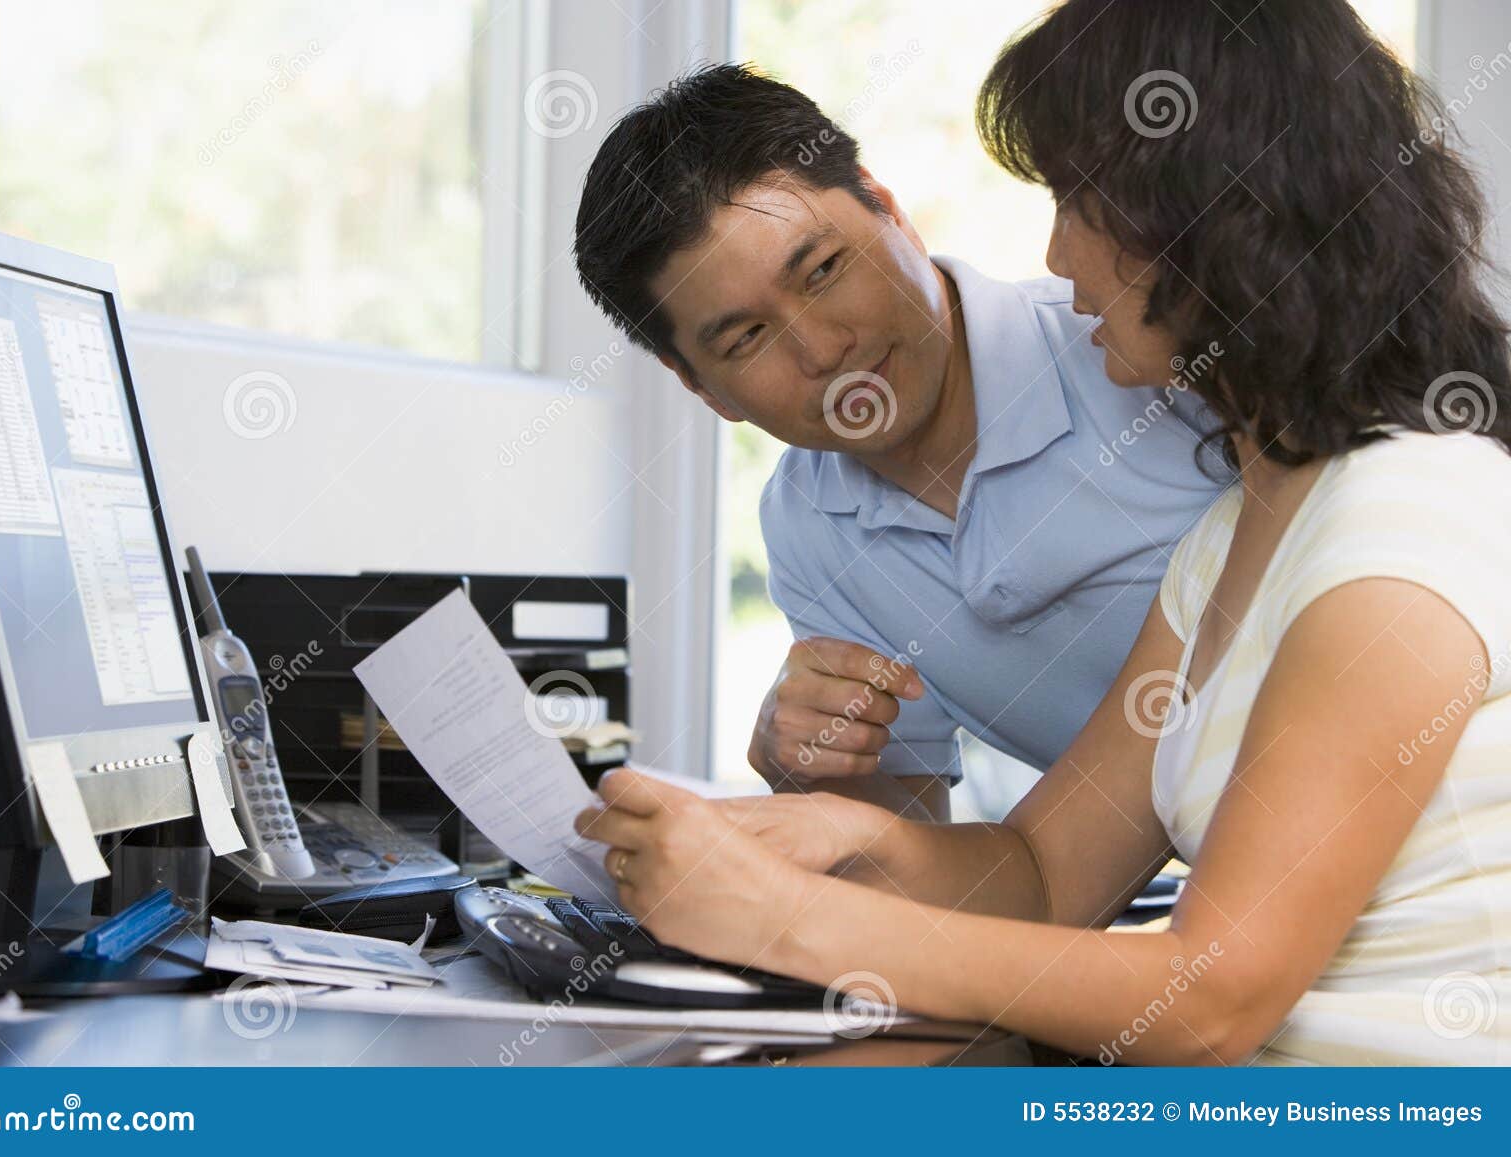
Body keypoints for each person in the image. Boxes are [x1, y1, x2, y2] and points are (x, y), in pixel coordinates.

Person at [578, 0, 1511, 1065]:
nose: (1058, 257)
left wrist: (781, 915)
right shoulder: (1232, 533)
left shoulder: (1408, 509)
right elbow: (1047, 868)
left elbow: (1210, 1001)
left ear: (1215, 217)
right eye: (746, 333)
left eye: (1081, 204)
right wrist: (842, 834)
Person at [573, 65, 1227, 824]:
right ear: (701, 387)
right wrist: (802, 767)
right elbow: (916, 856)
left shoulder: (1143, 351)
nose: (822, 351)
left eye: (823, 270)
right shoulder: (807, 524)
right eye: (748, 336)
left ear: (888, 209)